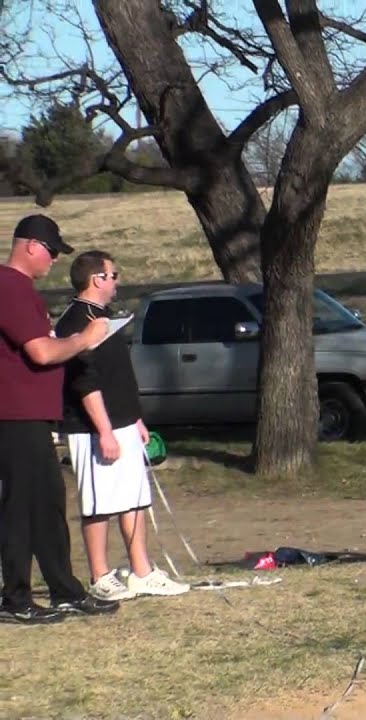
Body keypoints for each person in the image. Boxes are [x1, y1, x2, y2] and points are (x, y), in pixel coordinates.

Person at [0, 214, 119, 624]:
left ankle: (64, 589)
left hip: (32, 413)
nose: (53, 261)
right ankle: (15, 598)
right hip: (14, 414)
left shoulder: (22, 290)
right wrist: (84, 339)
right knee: (21, 507)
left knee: (48, 503)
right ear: (31, 245)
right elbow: (40, 352)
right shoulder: (10, 287)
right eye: (51, 251)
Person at [55, 250, 190, 600]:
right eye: (113, 275)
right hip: (93, 429)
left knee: (134, 498)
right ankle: (100, 576)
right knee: (100, 504)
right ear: (97, 279)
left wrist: (135, 419)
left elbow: (118, 376)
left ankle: (141, 571)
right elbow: (84, 381)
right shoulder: (75, 322)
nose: (117, 281)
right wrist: (104, 430)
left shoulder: (105, 316)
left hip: (123, 422)